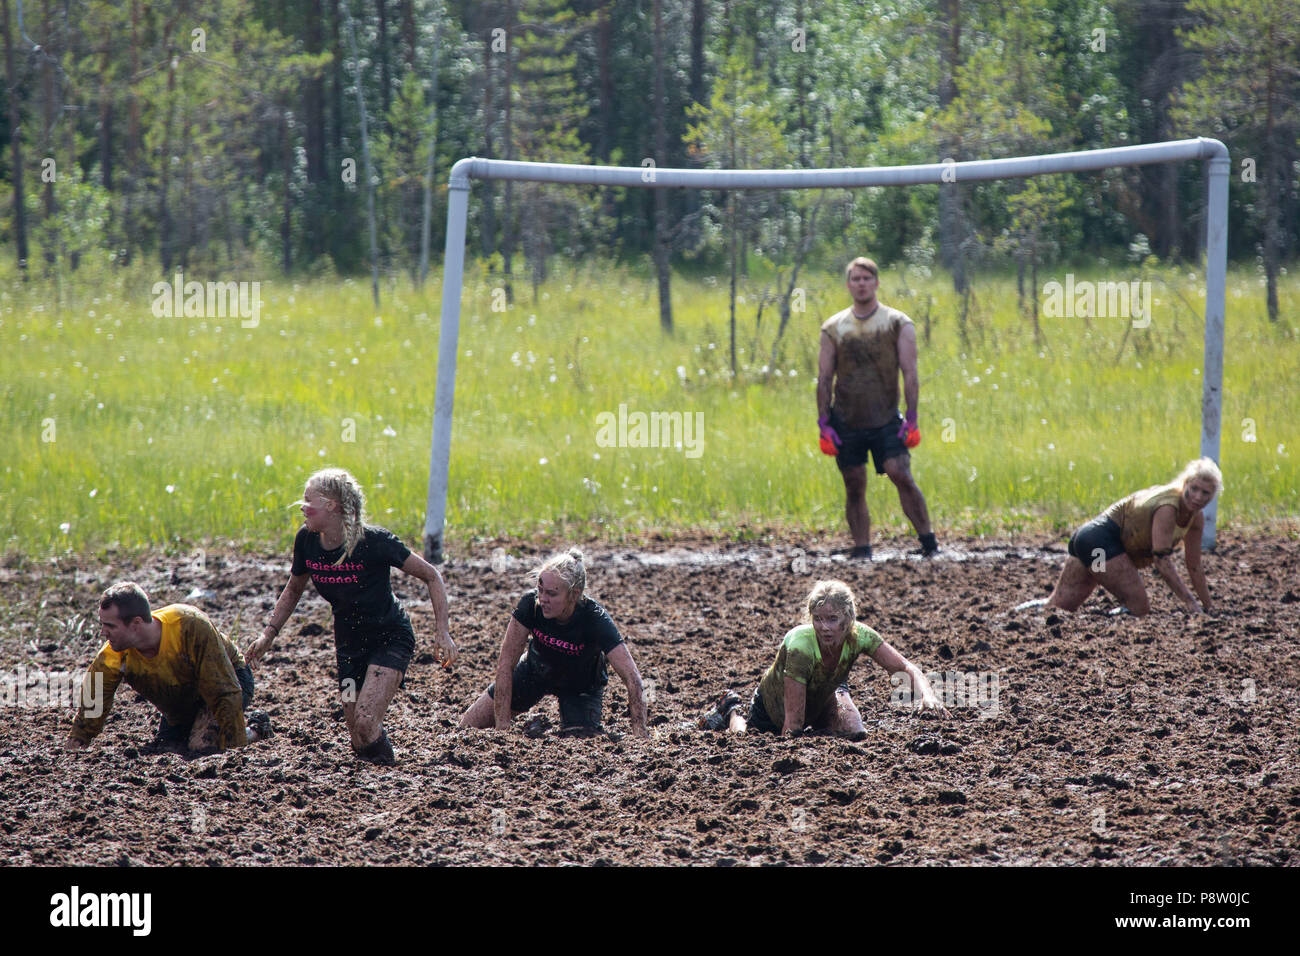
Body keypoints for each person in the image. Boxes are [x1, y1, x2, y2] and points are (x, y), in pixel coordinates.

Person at [245, 468, 456, 765]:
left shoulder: (375, 541)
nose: (302, 507)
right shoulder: (306, 541)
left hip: (389, 637)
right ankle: (376, 777)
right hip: (348, 644)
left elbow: (432, 576)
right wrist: (268, 634)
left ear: (331, 506)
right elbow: (293, 590)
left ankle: (389, 781)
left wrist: (442, 631)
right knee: (357, 735)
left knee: (367, 723)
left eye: (308, 501)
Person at [701, 580, 949, 736]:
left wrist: (928, 696)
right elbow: (792, 724)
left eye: (832, 619)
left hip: (825, 692)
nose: (825, 627)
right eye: (818, 619)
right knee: (751, 738)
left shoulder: (860, 635)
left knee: (855, 732)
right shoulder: (801, 647)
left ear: (848, 618)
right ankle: (731, 710)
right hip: (773, 705)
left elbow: (903, 666)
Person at [817, 256, 938, 559]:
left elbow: (910, 374)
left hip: (885, 418)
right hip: (846, 419)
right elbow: (823, 378)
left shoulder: (898, 322)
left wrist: (911, 418)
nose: (861, 284)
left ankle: (929, 543)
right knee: (854, 483)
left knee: (900, 473)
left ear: (876, 283)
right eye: (856, 279)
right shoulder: (833, 328)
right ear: (848, 285)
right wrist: (823, 423)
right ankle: (862, 549)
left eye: (866, 278)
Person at [459, 548, 648, 738]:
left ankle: (546, 727)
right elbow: (505, 665)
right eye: (540, 590)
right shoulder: (530, 605)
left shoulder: (595, 618)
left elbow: (633, 678)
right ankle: (533, 727)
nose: (542, 599)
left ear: (574, 595)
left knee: (579, 743)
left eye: (551, 594)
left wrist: (640, 735)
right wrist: (502, 728)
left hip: (580, 686)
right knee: (467, 728)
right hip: (535, 670)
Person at [65, 582, 268, 752]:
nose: (103, 633)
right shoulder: (112, 655)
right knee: (167, 747)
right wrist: (79, 739)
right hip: (182, 698)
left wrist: (235, 750)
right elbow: (95, 698)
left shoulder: (188, 626)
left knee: (202, 746)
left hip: (231, 679)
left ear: (135, 624)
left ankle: (255, 729)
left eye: (110, 626)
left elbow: (225, 691)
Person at [1045, 458, 1221, 617]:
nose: (1198, 497)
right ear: (1185, 484)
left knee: (1059, 607)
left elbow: (1194, 565)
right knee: (1138, 607)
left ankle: (1024, 614)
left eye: (1205, 493)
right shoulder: (1168, 508)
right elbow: (1161, 561)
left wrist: (1208, 606)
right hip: (1097, 546)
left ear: (1213, 496)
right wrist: (1190, 602)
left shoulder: (1195, 517)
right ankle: (1099, 625)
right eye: (1194, 489)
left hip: (1092, 543)